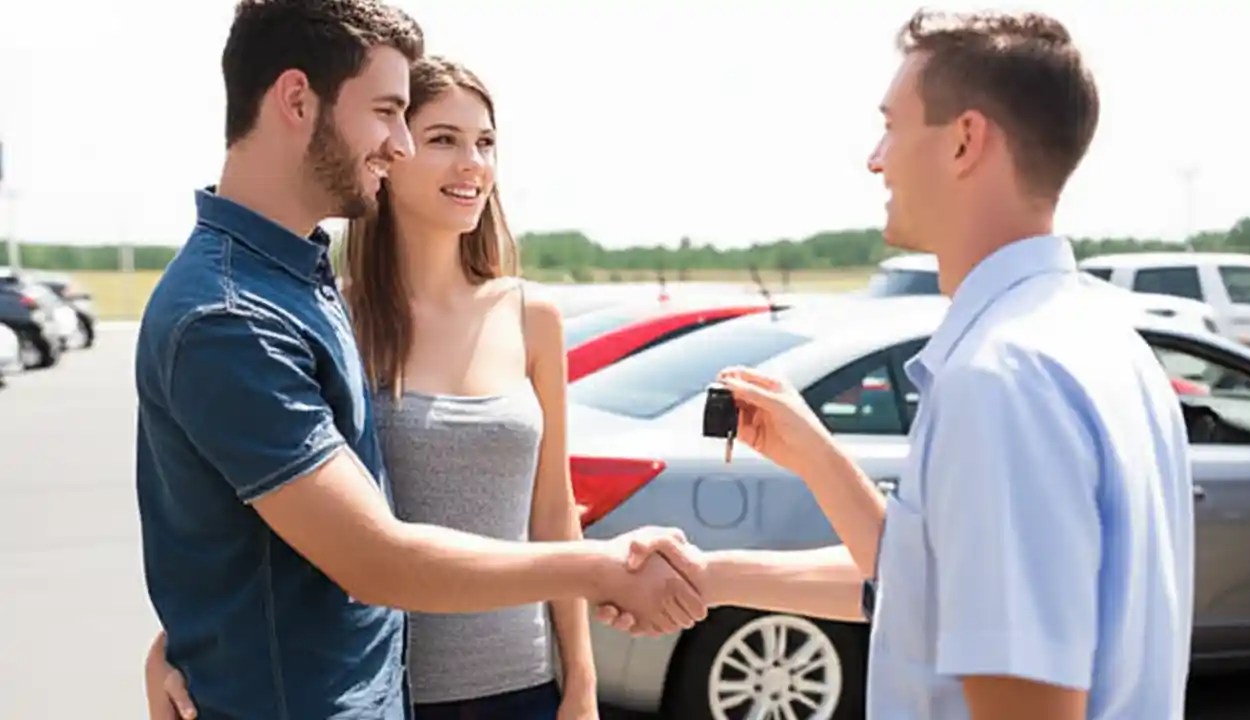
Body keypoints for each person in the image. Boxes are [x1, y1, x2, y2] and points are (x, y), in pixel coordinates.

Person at [601, 9, 1195, 720]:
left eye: (893, 124)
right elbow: (925, 582)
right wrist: (799, 480)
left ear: (965, 142)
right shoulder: (1106, 342)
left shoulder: (1000, 379)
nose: (876, 157)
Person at [135, 3, 702, 719]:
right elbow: (373, 557)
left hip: (463, 687)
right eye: (393, 116)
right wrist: (607, 570)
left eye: (483, 141)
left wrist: (579, 679)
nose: (401, 146)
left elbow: (255, 525)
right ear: (296, 99)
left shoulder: (297, 285)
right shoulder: (242, 314)